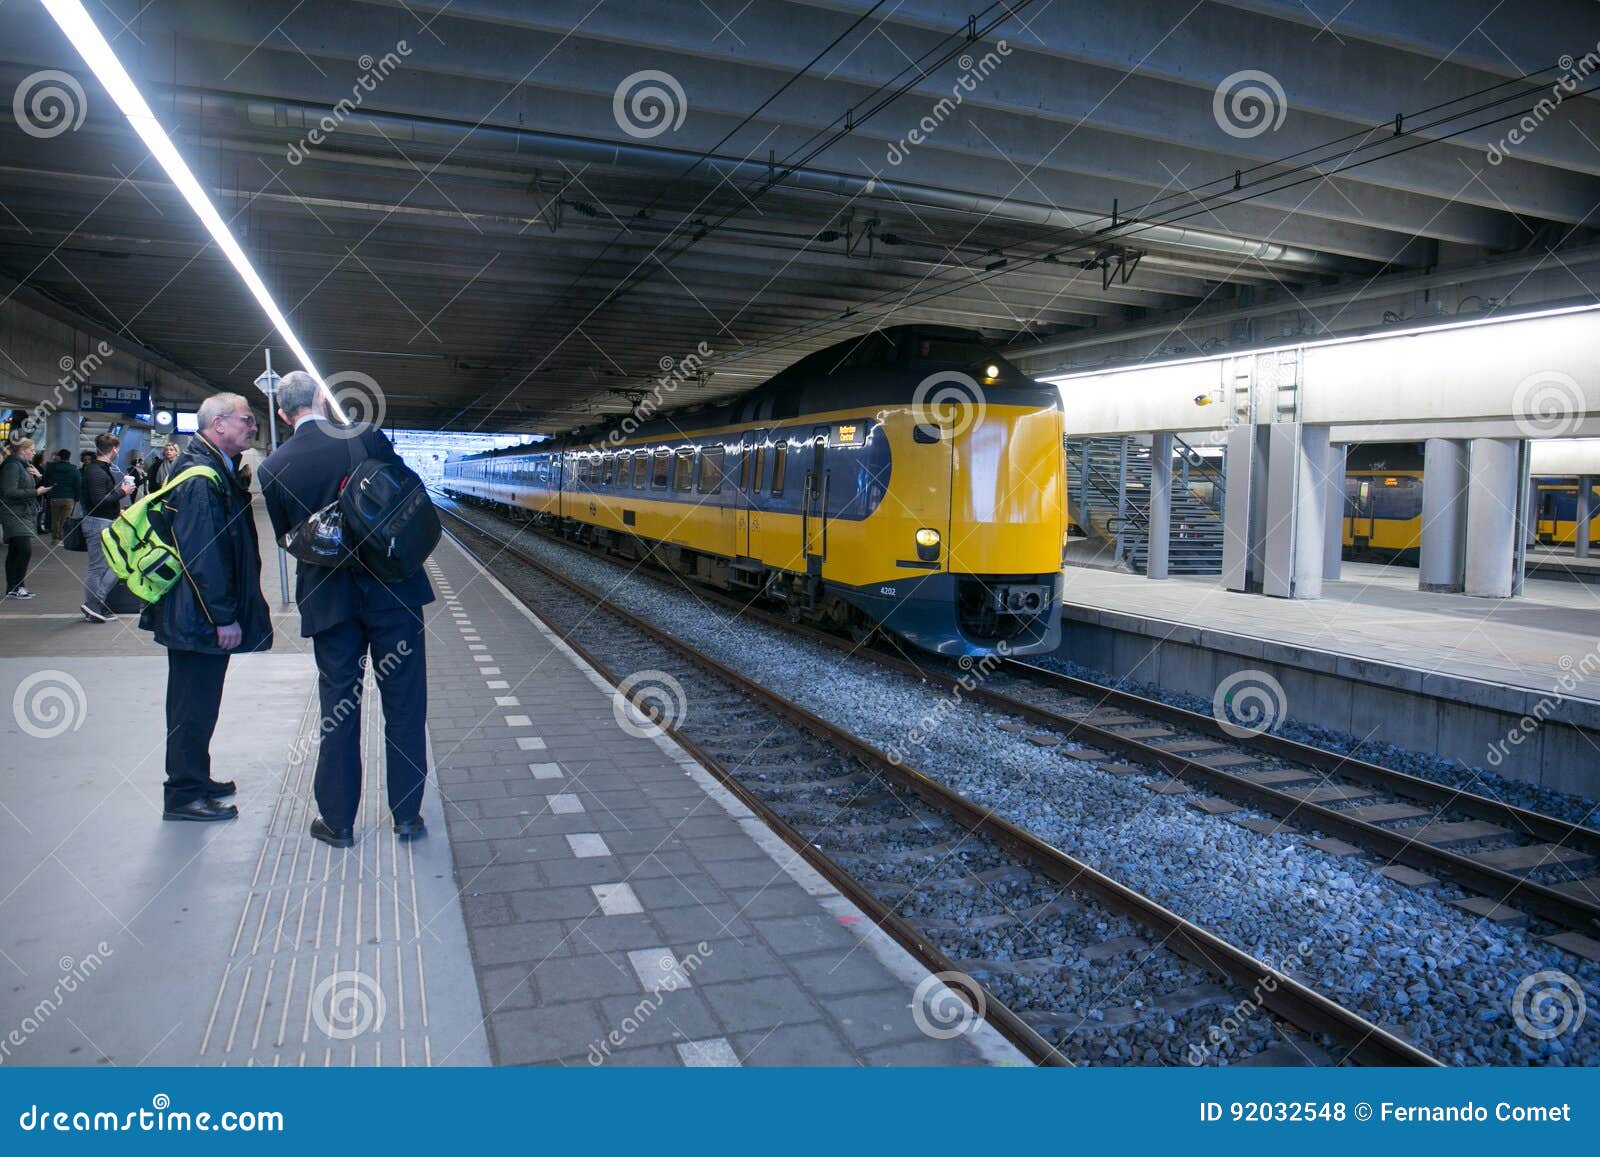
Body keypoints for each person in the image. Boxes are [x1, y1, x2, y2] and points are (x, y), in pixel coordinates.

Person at [257, 371, 433, 847]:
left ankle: (337, 822)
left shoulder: (272, 467)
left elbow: (288, 539)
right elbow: (411, 494)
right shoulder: (365, 437)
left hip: (330, 602)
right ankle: (406, 817)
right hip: (393, 592)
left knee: (339, 707)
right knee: (404, 704)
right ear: (321, 399)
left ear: (281, 413)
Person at [140, 393, 272, 822]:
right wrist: (223, 617)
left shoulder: (214, 466)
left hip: (194, 615)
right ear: (218, 424)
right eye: (246, 419)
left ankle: (196, 777)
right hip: (197, 616)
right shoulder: (201, 476)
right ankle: (182, 795)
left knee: (198, 702)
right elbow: (203, 554)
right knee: (191, 706)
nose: (252, 427)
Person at [79, 433, 135, 622]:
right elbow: (98, 501)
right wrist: (122, 492)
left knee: (114, 563)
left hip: (103, 520)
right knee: (100, 567)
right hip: (98, 522)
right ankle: (94, 606)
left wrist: (116, 510)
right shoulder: (95, 471)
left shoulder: (97, 469)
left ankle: (94, 604)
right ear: (114, 449)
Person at [1, 438, 49, 599]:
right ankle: (17, 587)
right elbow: (9, 492)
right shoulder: (13, 466)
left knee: (16, 551)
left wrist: (38, 477)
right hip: (14, 514)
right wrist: (36, 492)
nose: (34, 453)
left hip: (22, 513)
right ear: (22, 450)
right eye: (32, 449)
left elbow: (24, 487)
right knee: (23, 550)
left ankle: (13, 588)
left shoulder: (23, 466)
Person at [43, 449, 81, 545]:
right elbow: (78, 484)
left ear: (59, 456)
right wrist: (77, 497)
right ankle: (63, 538)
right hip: (69, 498)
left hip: (54, 496)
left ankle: (55, 539)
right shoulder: (74, 469)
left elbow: (45, 480)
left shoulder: (51, 468)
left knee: (55, 519)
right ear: (69, 457)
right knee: (65, 519)